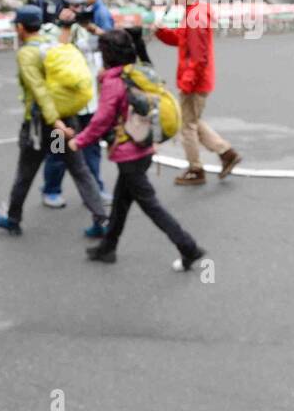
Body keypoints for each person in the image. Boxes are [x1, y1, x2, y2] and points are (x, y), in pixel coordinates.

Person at [71, 29, 205, 271]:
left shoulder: (114, 82)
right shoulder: (137, 73)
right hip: (144, 146)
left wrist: (78, 141)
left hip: (129, 153)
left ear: (107, 55)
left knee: (150, 205)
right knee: (122, 201)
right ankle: (108, 247)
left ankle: (188, 247)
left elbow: (102, 120)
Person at [0, 5, 109, 237]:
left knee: (26, 171)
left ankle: (12, 218)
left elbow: (39, 90)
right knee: (79, 169)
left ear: (21, 27)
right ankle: (101, 218)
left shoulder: (27, 53)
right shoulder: (50, 43)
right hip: (66, 120)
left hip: (42, 125)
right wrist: (62, 124)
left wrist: (55, 123)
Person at [154, 0, 241, 185]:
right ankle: (225, 152)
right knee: (192, 120)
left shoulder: (196, 16)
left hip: (194, 80)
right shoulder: (194, 13)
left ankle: (196, 168)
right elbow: (183, 41)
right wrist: (161, 32)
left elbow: (198, 56)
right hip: (196, 78)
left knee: (188, 126)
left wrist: (188, 82)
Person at [41, 0, 108, 209]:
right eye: (72, 7)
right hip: (64, 106)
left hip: (89, 102)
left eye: (80, 7)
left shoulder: (85, 29)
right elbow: (55, 56)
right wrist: (66, 27)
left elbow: (105, 47)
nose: (76, 11)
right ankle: (51, 189)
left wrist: (93, 28)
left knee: (92, 148)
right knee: (58, 149)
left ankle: (96, 188)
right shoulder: (50, 30)